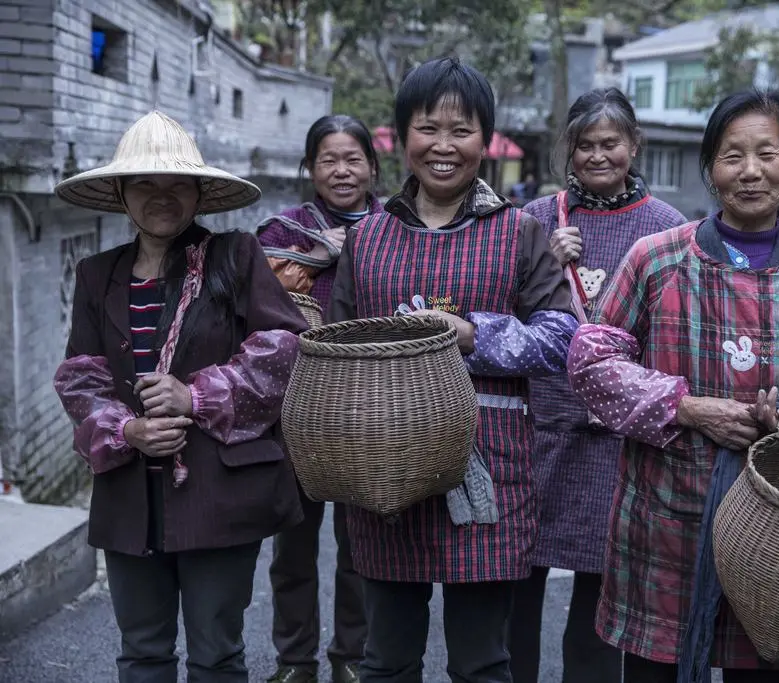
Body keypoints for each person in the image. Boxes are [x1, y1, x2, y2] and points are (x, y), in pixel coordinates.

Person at [564, 89, 779, 683]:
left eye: (768, 153)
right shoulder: (657, 259)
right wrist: (686, 406)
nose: (750, 172)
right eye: (732, 156)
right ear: (711, 167)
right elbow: (593, 358)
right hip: (666, 524)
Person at [328, 56, 578, 683]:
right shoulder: (367, 238)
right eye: (427, 128)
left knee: (481, 661)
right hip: (384, 470)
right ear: (401, 136)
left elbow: (563, 339)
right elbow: (333, 349)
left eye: (461, 130)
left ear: (486, 140)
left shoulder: (520, 233)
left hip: (490, 470)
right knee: (385, 659)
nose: (444, 146)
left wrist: (475, 335)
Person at [52, 110, 307, 683]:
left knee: (216, 652)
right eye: (144, 183)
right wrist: (128, 431)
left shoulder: (236, 257)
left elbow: (284, 351)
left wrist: (195, 396)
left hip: (219, 491)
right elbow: (81, 379)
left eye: (176, 184)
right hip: (129, 496)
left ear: (198, 194)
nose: (160, 196)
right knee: (142, 650)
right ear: (121, 193)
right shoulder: (98, 275)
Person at [509, 87, 684, 683]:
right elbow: (504, 315)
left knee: (600, 594)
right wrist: (546, 263)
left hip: (616, 439)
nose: (598, 155)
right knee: (517, 583)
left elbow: (671, 331)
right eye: (585, 145)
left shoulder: (665, 229)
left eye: (611, 143)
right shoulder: (536, 219)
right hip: (541, 431)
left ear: (633, 146)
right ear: (570, 151)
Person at [258, 114, 384, 683]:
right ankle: (294, 660)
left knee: (361, 543)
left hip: (369, 406)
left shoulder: (393, 228)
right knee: (293, 543)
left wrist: (354, 249)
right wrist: (317, 253)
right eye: (328, 160)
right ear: (309, 168)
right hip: (296, 408)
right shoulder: (283, 231)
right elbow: (255, 292)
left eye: (353, 159)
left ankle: (352, 657)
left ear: (373, 168)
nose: (341, 170)